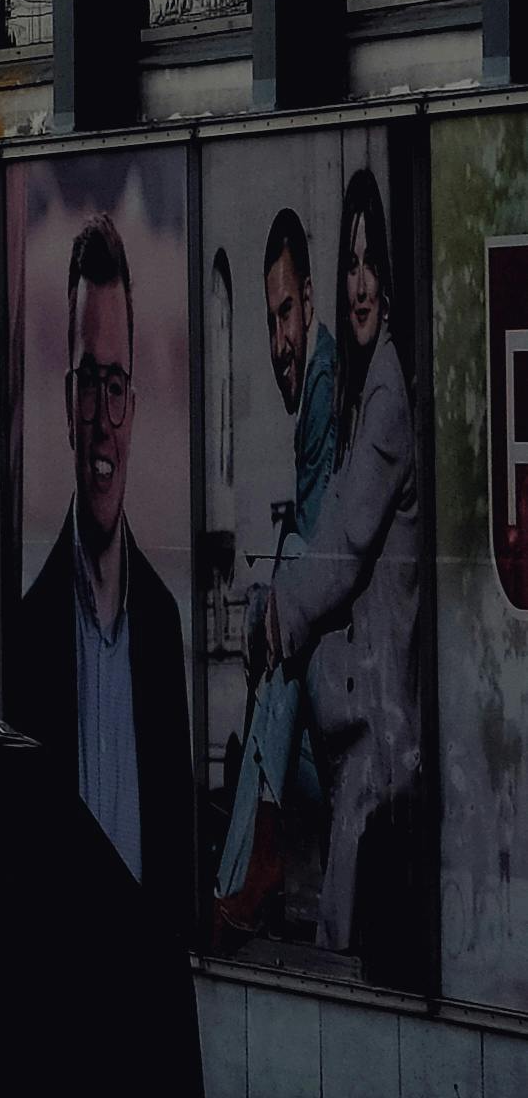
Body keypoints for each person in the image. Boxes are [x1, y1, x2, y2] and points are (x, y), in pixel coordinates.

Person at [9, 212, 192, 941]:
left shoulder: (164, 624)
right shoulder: (29, 632)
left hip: (143, 990)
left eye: (116, 385)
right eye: (89, 383)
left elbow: (176, 867)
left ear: (136, 407)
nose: (103, 417)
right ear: (65, 402)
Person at [266, 167, 424, 962]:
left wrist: (281, 610)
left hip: (381, 736)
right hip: (361, 725)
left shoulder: (385, 395)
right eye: (351, 265)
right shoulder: (368, 388)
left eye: (371, 265)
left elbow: (346, 542)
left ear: (389, 278)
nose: (359, 284)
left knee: (346, 952)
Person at [214, 204, 337, 929]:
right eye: (270, 320)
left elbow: (321, 557)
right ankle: (244, 875)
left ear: (310, 299)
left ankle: (243, 876)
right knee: (267, 704)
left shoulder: (323, 385)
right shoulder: (321, 377)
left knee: (275, 685)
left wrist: (269, 614)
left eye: (285, 312)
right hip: (321, 637)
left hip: (342, 655)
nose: (279, 340)